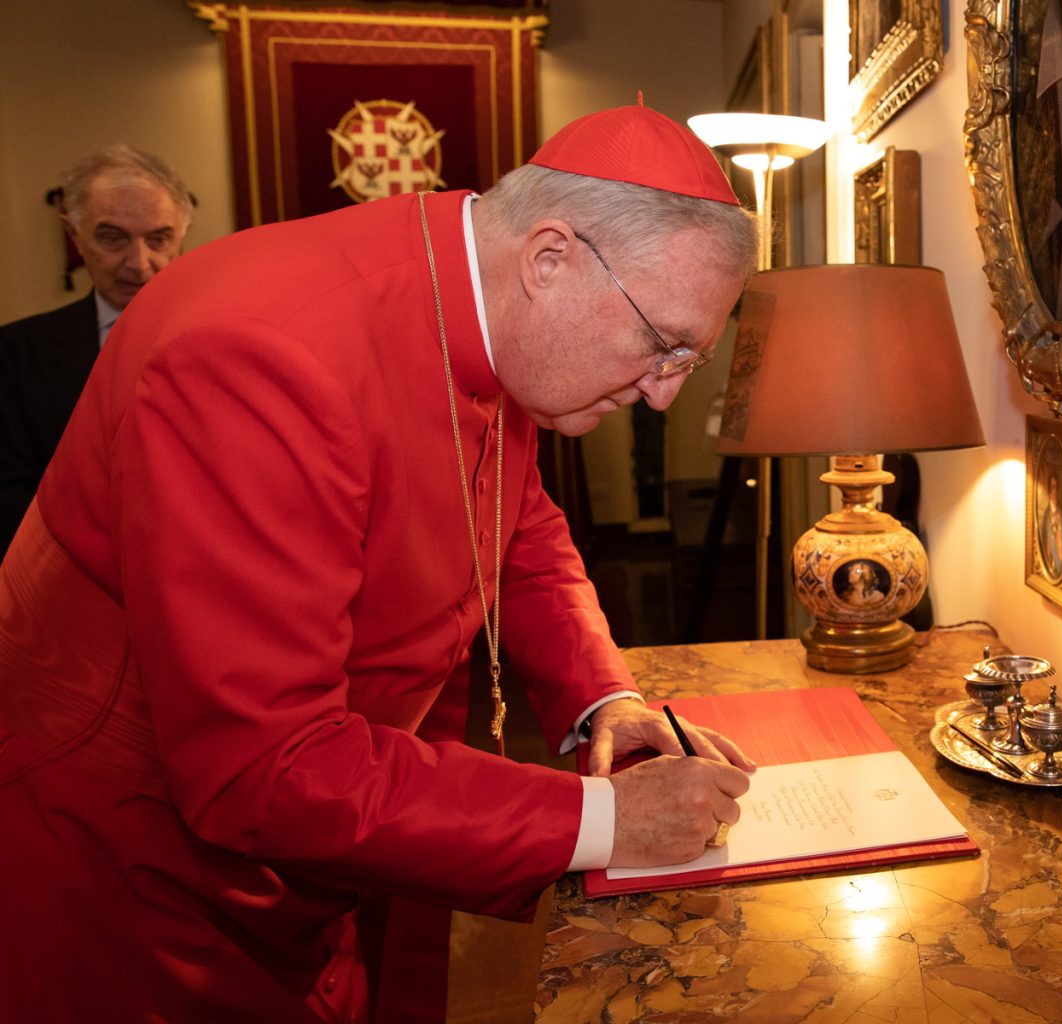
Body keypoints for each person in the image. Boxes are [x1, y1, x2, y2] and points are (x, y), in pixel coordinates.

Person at [0, 105, 759, 1023]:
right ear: (550, 257)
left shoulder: (486, 306)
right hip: (133, 872)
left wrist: (606, 700)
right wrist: (607, 823)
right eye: (663, 343)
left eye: (694, 358)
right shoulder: (256, 355)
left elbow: (518, 526)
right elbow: (261, 765)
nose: (664, 393)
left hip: (334, 825)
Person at [0, 144, 194, 549]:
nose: (139, 263)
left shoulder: (227, 342)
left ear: (182, 236)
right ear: (75, 234)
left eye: (159, 239)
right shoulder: (17, 354)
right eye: (113, 239)